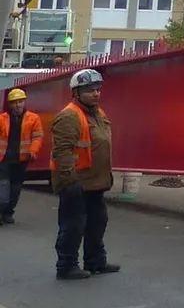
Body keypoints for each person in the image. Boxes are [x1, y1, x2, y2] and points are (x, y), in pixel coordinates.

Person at [51, 68, 117, 280]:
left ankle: (96, 261)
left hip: (95, 182)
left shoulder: (98, 113)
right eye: (89, 90)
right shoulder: (69, 116)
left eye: (97, 89)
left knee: (98, 221)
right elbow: (62, 152)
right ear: (76, 92)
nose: (95, 93)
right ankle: (66, 265)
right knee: (73, 225)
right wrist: (70, 182)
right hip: (76, 183)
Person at [0, 88, 46, 224]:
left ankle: (8, 213)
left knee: (15, 190)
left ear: (24, 102)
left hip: (22, 160)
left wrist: (33, 151)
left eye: (20, 101)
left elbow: (37, 136)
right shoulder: (2, 119)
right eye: (15, 102)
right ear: (9, 104)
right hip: (4, 160)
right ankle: (1, 210)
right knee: (3, 189)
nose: (18, 105)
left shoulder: (33, 118)